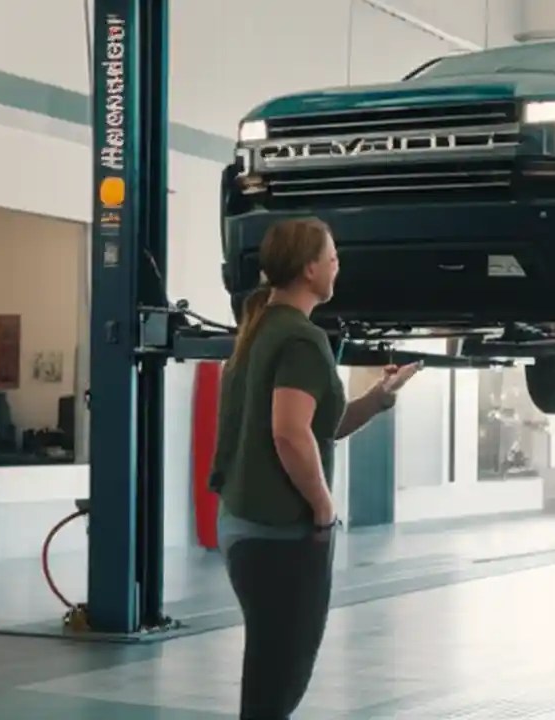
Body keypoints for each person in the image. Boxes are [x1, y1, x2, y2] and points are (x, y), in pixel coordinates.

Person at [209, 216, 422, 720]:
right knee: (279, 681)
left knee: (270, 676)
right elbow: (289, 433)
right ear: (309, 269)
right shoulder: (302, 340)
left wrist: (379, 396)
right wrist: (323, 507)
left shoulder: (260, 330)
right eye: (332, 257)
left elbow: (321, 426)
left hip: (243, 525)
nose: (337, 266)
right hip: (278, 533)